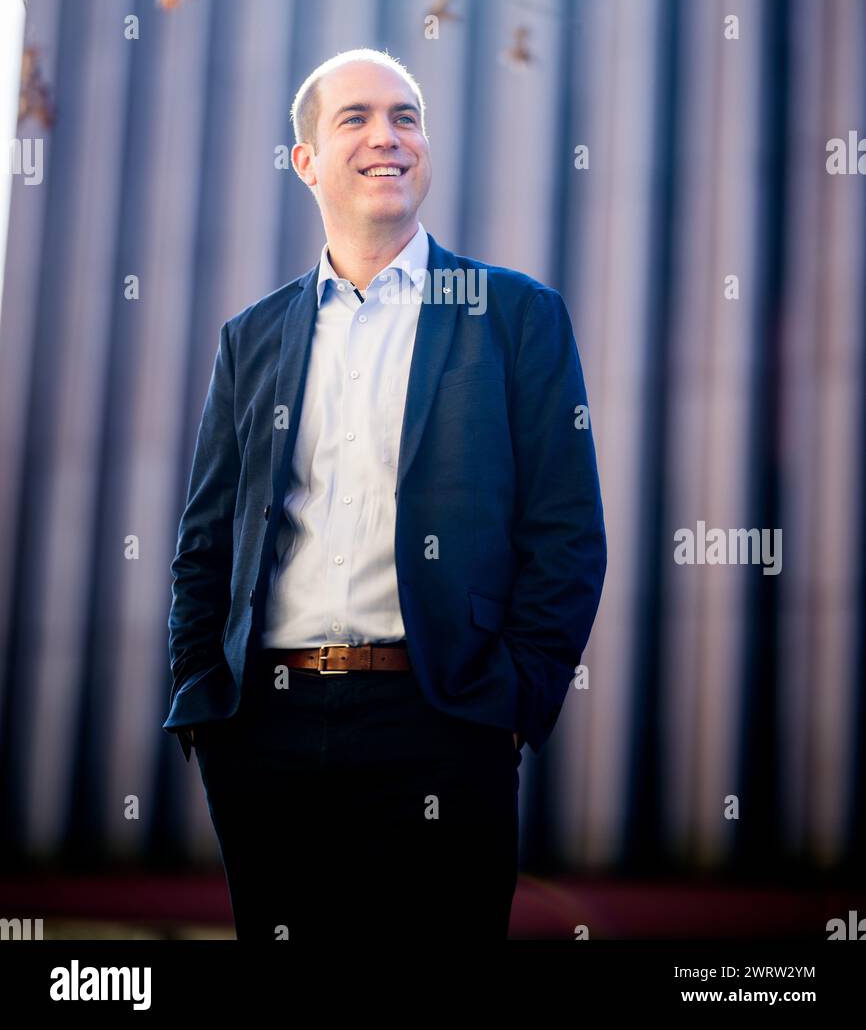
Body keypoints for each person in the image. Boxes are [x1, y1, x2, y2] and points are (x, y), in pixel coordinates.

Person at [164, 47, 606, 941]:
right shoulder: (249, 339)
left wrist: (511, 704)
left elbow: (566, 534)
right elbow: (207, 541)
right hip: (266, 733)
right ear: (307, 162)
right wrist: (205, 703)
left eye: (406, 117)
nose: (388, 137)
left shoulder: (516, 316)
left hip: (444, 722)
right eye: (356, 118)